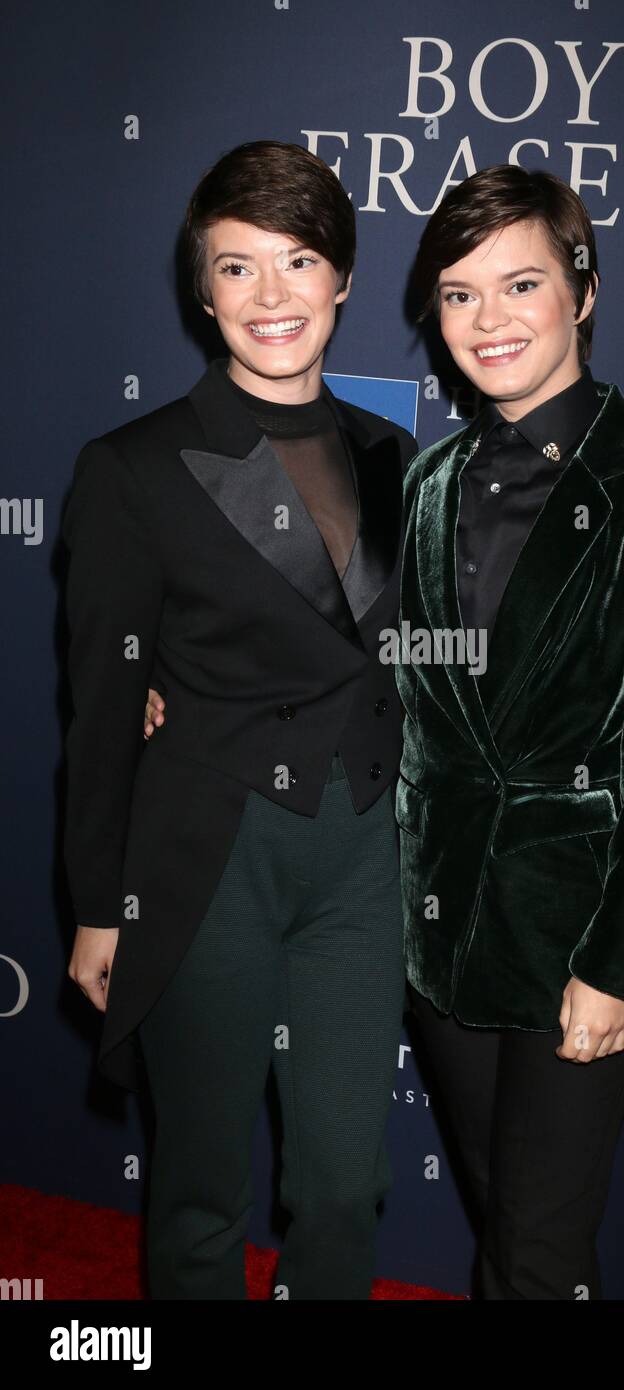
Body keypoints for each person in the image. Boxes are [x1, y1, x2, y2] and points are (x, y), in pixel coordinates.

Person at [63, 140, 416, 1300]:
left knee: (342, 1181)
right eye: (237, 267)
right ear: (200, 288)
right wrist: (100, 902)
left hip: (361, 855)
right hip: (209, 852)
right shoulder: (132, 466)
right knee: (202, 1185)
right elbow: (104, 704)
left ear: (344, 277)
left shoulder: (394, 456)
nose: (271, 297)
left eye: (299, 261)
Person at [393, 164, 624, 1299]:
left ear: (581, 293)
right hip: (443, 925)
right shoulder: (427, 483)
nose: (486, 320)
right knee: (502, 1217)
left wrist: (613, 967)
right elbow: (393, 689)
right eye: (456, 293)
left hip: (581, 935)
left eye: (519, 283)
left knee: (540, 1249)